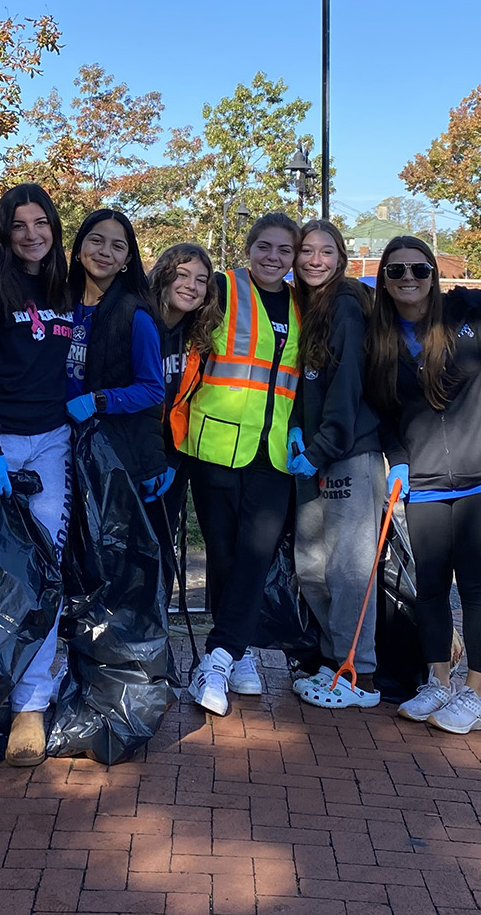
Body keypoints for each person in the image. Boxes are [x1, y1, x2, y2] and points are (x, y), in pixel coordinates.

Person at [364, 236, 481, 733]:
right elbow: (383, 411)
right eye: (396, 272)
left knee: (474, 584)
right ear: (384, 281)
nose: (408, 279)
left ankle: (478, 695)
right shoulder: (381, 338)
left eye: (419, 269)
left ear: (434, 274)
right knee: (430, 586)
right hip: (426, 478)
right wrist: (399, 459)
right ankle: (438, 682)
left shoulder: (470, 308)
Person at [0, 182, 74, 765]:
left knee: (45, 568)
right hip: (0, 442)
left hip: (53, 440)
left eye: (42, 224)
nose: (33, 235)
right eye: (20, 225)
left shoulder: (65, 286)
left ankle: (31, 701)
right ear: (4, 232)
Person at [176, 213, 302, 716]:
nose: (273, 257)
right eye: (264, 247)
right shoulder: (223, 289)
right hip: (216, 447)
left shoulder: (301, 303)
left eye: (284, 250)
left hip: (273, 453)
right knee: (225, 557)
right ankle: (238, 651)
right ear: (248, 248)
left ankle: (219, 656)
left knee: (256, 556)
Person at [286, 218, 386, 710]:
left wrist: (320, 448)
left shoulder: (346, 306)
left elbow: (346, 390)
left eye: (326, 252)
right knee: (311, 568)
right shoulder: (307, 309)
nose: (314, 260)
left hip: (348, 454)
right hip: (313, 455)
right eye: (307, 250)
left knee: (349, 571)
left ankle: (359, 672)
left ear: (341, 258)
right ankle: (334, 657)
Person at [65, 208, 167, 493]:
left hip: (108, 452)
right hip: (55, 442)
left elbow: (152, 389)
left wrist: (97, 401)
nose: (105, 252)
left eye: (117, 246)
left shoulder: (135, 316)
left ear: (127, 260)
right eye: (96, 240)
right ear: (79, 248)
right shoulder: (58, 305)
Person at [148, 243, 222, 530]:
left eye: (201, 280)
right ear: (164, 276)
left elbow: (190, 404)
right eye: (182, 274)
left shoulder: (198, 337)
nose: (191, 286)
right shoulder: (137, 322)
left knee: (161, 553)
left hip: (172, 459)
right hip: (130, 458)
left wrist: (173, 460)